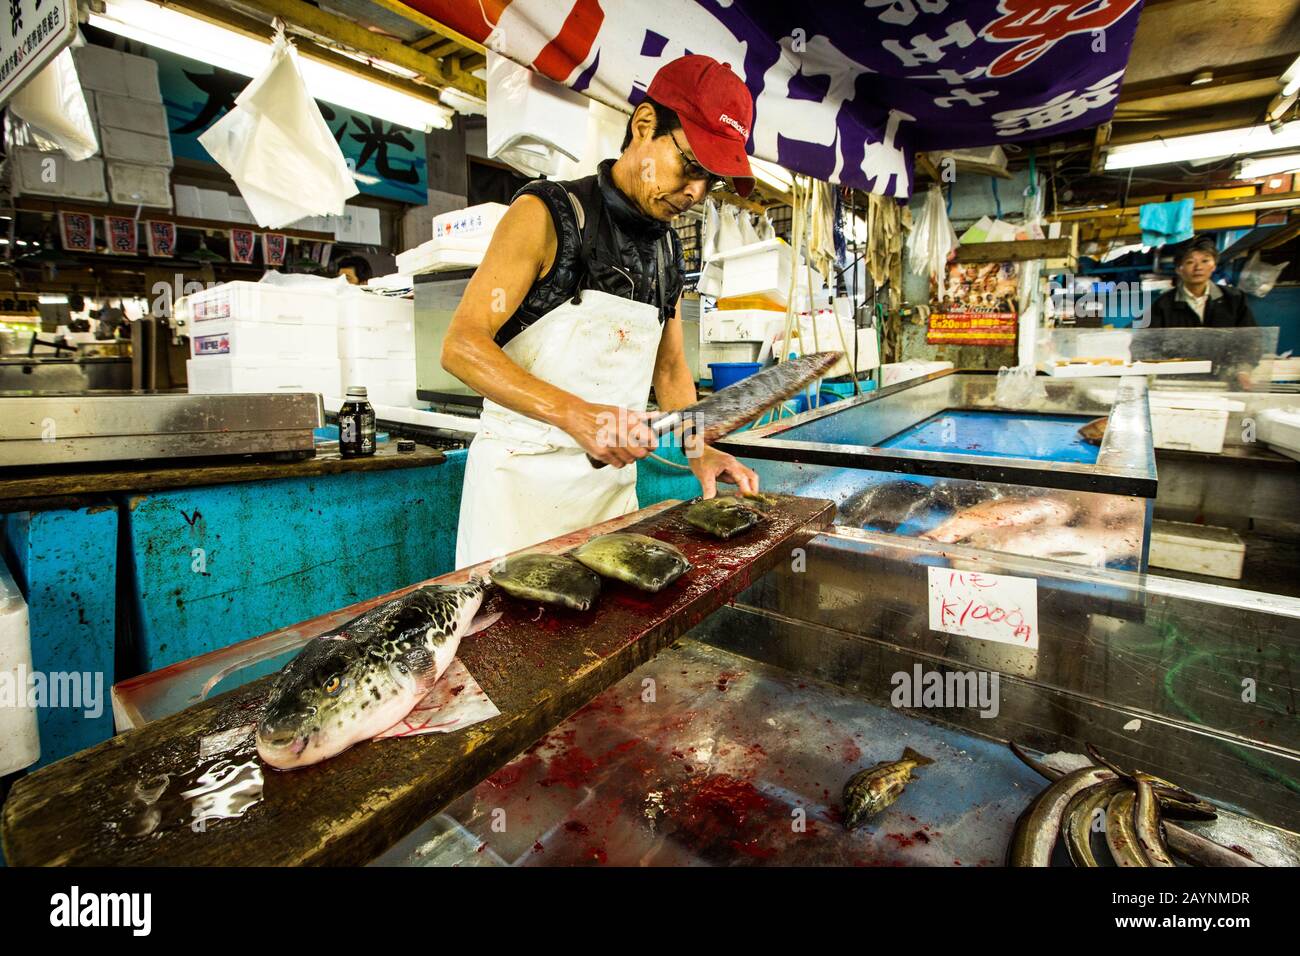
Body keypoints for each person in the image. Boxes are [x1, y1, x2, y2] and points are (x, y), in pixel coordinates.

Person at [442, 55, 760, 568]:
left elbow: (671, 367)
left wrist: (699, 447)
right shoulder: (546, 215)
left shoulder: (667, 250)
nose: (697, 192)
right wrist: (574, 414)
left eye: (712, 181)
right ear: (644, 124)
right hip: (518, 495)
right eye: (692, 166)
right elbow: (460, 346)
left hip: (609, 499)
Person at [1146, 236, 1255, 328]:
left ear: (1214, 266)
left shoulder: (1234, 299)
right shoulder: (1164, 304)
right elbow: (1150, 342)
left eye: (1205, 261)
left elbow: (1250, 339)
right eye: (1190, 262)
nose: (1198, 267)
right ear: (1179, 269)